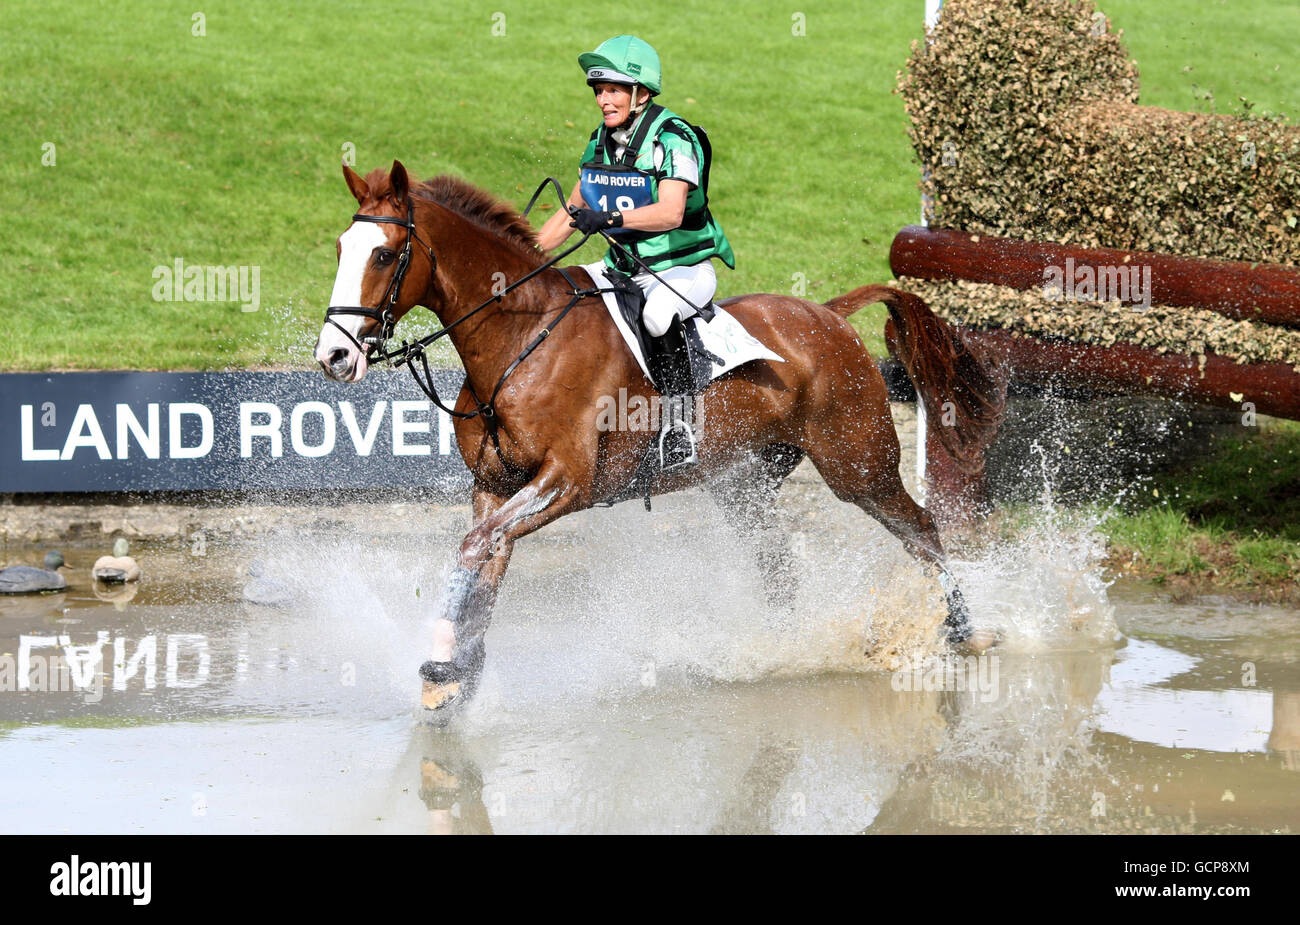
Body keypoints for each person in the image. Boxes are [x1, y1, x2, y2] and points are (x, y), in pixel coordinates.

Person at [536, 34, 734, 471]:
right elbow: (574, 208)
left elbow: (669, 212)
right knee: (565, 298)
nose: (604, 101)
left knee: (656, 317)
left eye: (613, 90)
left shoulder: (676, 138)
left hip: (679, 270)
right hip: (621, 268)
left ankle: (679, 425)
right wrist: (526, 253)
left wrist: (608, 222)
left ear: (641, 92)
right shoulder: (599, 141)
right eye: (599, 91)